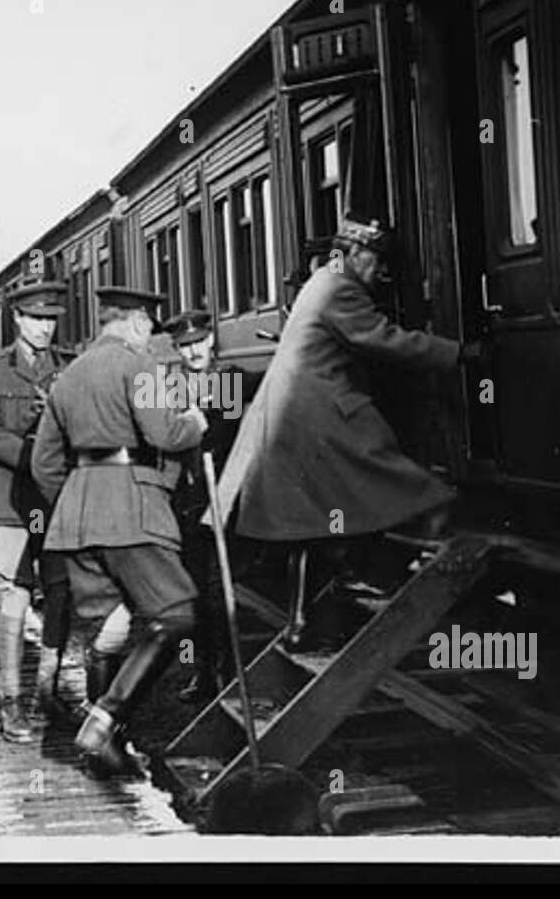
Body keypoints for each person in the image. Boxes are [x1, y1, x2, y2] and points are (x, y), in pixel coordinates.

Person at [212, 214, 481, 638]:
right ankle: (406, 577)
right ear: (354, 253)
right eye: (375, 262)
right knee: (406, 485)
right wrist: (458, 353)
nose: (379, 274)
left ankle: (305, 620)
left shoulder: (321, 279)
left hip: (300, 413)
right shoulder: (340, 287)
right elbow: (380, 338)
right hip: (322, 413)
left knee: (316, 522)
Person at [31, 286, 208, 774]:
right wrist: (195, 421)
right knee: (176, 615)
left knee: (109, 630)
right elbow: (165, 434)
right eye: (150, 327)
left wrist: (77, 503)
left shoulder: (66, 378)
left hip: (77, 519)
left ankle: (106, 749)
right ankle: (105, 717)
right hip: (129, 511)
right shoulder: (139, 366)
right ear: (133, 323)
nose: (152, 336)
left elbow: (43, 463)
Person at [0, 280, 76, 742]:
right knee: (16, 592)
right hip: (11, 499)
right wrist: (35, 455)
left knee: (59, 595)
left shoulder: (70, 368)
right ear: (16, 319)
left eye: (51, 319)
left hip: (54, 500)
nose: (44, 328)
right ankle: (12, 703)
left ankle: (46, 695)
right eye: (35, 318)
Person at [161, 309, 254, 703]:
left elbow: (224, 429)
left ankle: (231, 671)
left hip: (223, 494)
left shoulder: (229, 377)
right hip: (186, 497)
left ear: (211, 341)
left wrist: (205, 413)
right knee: (194, 590)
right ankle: (203, 672)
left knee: (223, 588)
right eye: (185, 346)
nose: (194, 351)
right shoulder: (168, 383)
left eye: (199, 342)